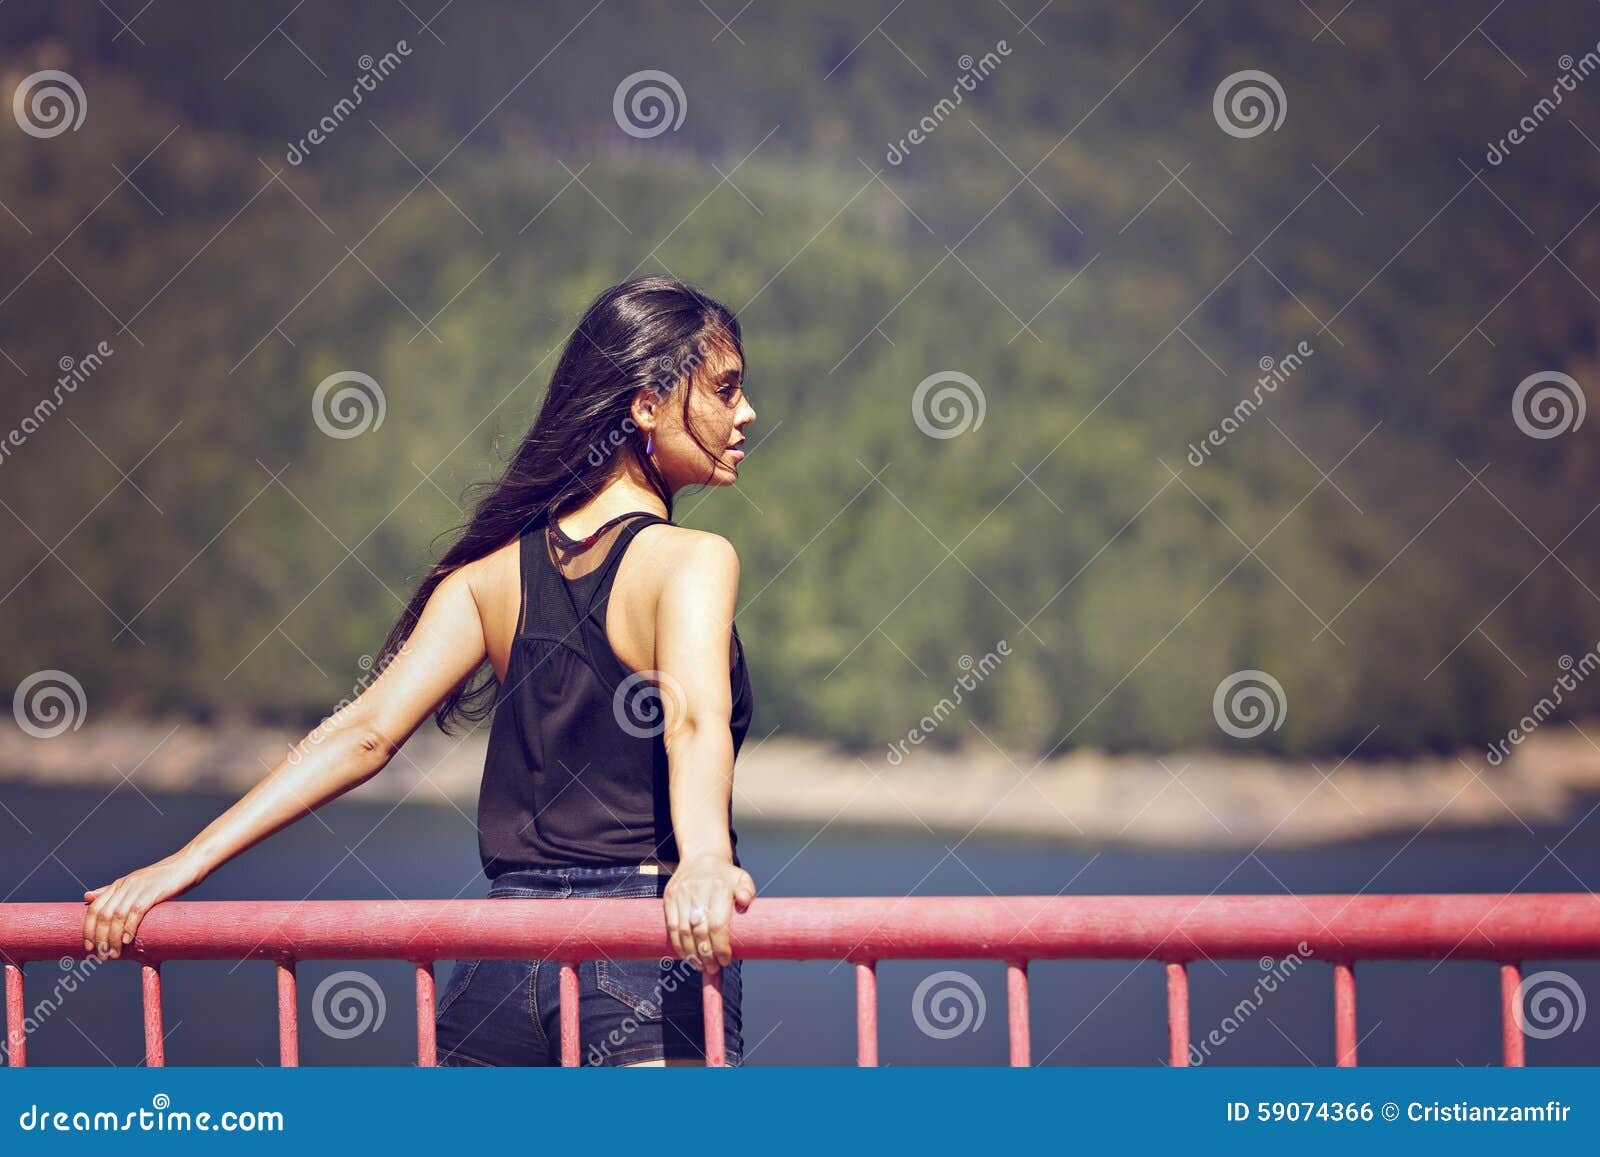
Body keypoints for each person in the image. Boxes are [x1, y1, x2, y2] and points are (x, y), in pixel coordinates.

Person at [79, 275, 760, 1067]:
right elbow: (689, 716)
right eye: (725, 388)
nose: (744, 414)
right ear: (646, 405)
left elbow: (362, 733)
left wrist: (183, 862)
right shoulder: (695, 560)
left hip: (496, 959)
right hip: (640, 947)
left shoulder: (488, 575)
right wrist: (707, 860)